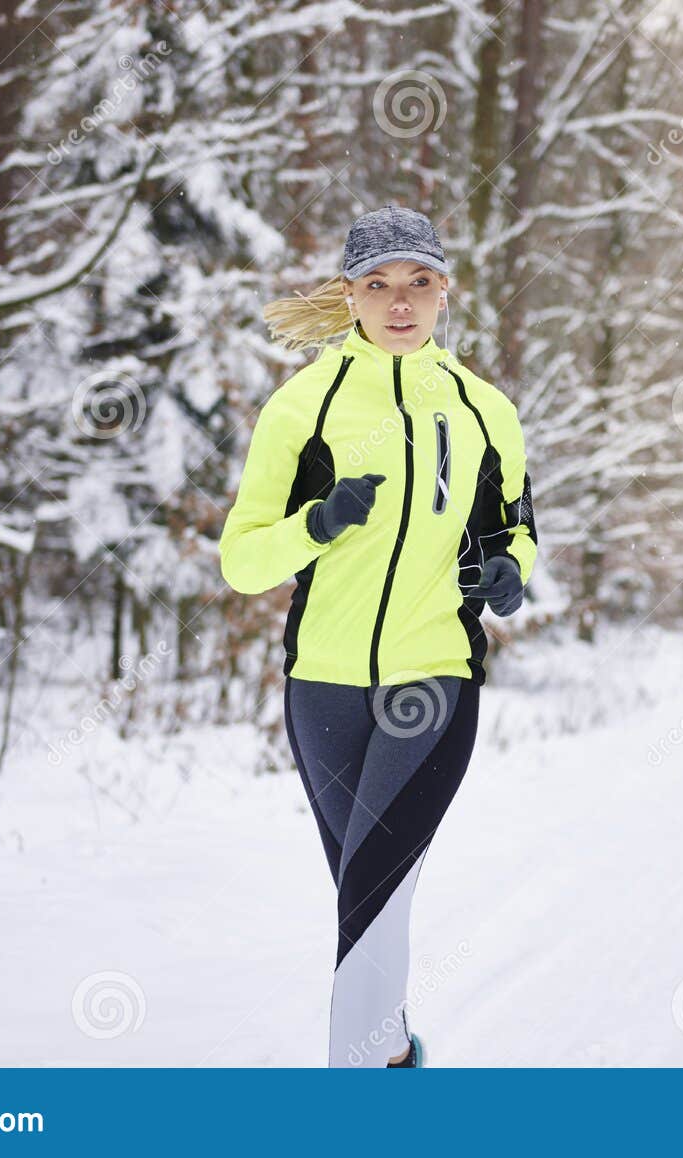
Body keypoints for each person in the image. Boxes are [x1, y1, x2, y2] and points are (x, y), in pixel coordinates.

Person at [219, 205, 538, 1067]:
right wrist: (315, 524)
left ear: (445, 292)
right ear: (351, 296)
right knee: (364, 896)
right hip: (321, 686)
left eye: (419, 283)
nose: (400, 303)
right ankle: (390, 1048)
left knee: (374, 888)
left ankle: (360, 1092)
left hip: (433, 680)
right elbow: (242, 561)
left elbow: (515, 530)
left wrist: (509, 573)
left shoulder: (485, 412)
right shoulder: (303, 406)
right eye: (379, 285)